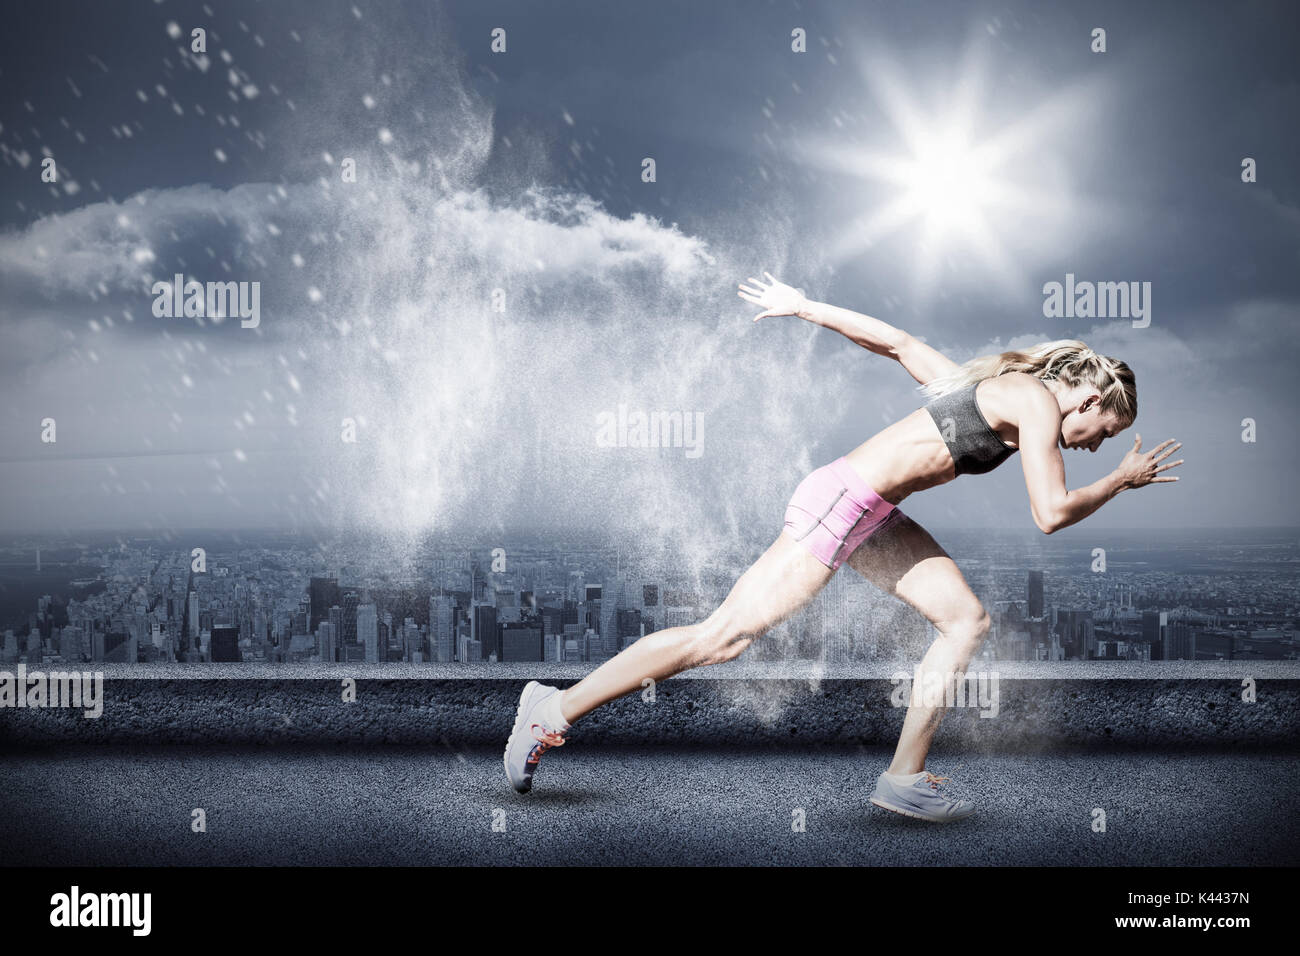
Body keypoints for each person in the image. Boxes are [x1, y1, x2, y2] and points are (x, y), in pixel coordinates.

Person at [503, 272, 1183, 821]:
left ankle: (903, 778)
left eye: (1108, 444)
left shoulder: (998, 390)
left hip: (872, 514)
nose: (1096, 444)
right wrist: (1120, 481)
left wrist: (805, 307)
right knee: (722, 639)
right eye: (1105, 430)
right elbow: (1050, 513)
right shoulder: (1035, 401)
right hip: (842, 504)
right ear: (1089, 397)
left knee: (964, 620)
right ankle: (550, 711)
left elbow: (898, 343)